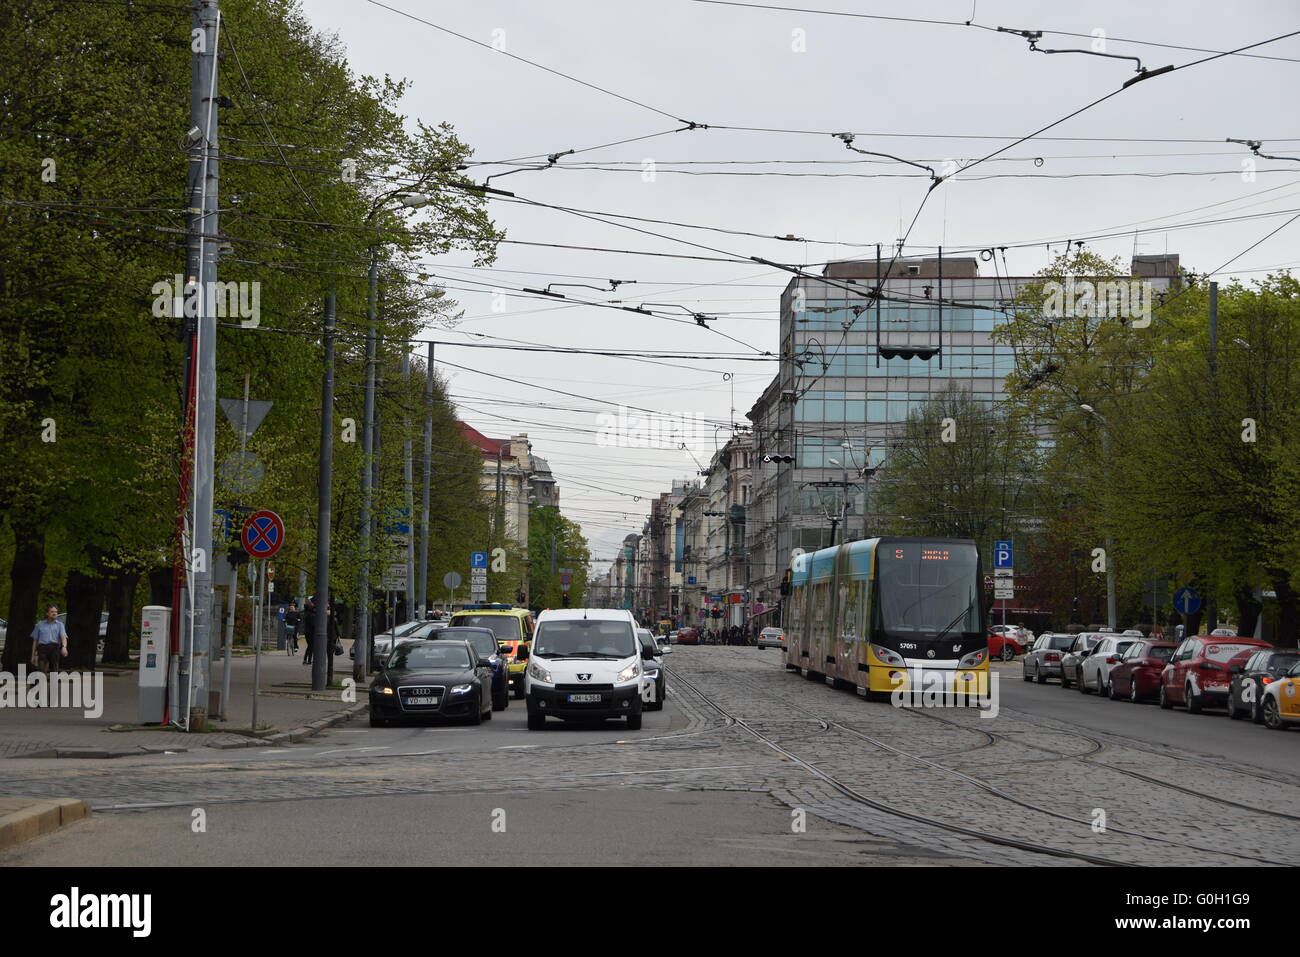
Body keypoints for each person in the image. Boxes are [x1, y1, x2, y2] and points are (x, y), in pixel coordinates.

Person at [30, 605, 69, 676]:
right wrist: (33, 656)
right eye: (52, 612)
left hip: (54, 648)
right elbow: (35, 641)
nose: (54, 613)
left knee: (54, 670)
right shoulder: (39, 625)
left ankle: (53, 686)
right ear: (47, 613)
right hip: (42, 649)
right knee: (41, 670)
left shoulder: (60, 625)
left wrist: (64, 647)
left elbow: (63, 637)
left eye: (56, 612)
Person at [301, 595, 317, 665]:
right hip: (311, 632)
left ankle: (307, 659)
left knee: (310, 646)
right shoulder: (312, 613)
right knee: (311, 646)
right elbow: (313, 624)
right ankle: (308, 660)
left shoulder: (307, 612)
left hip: (307, 632)